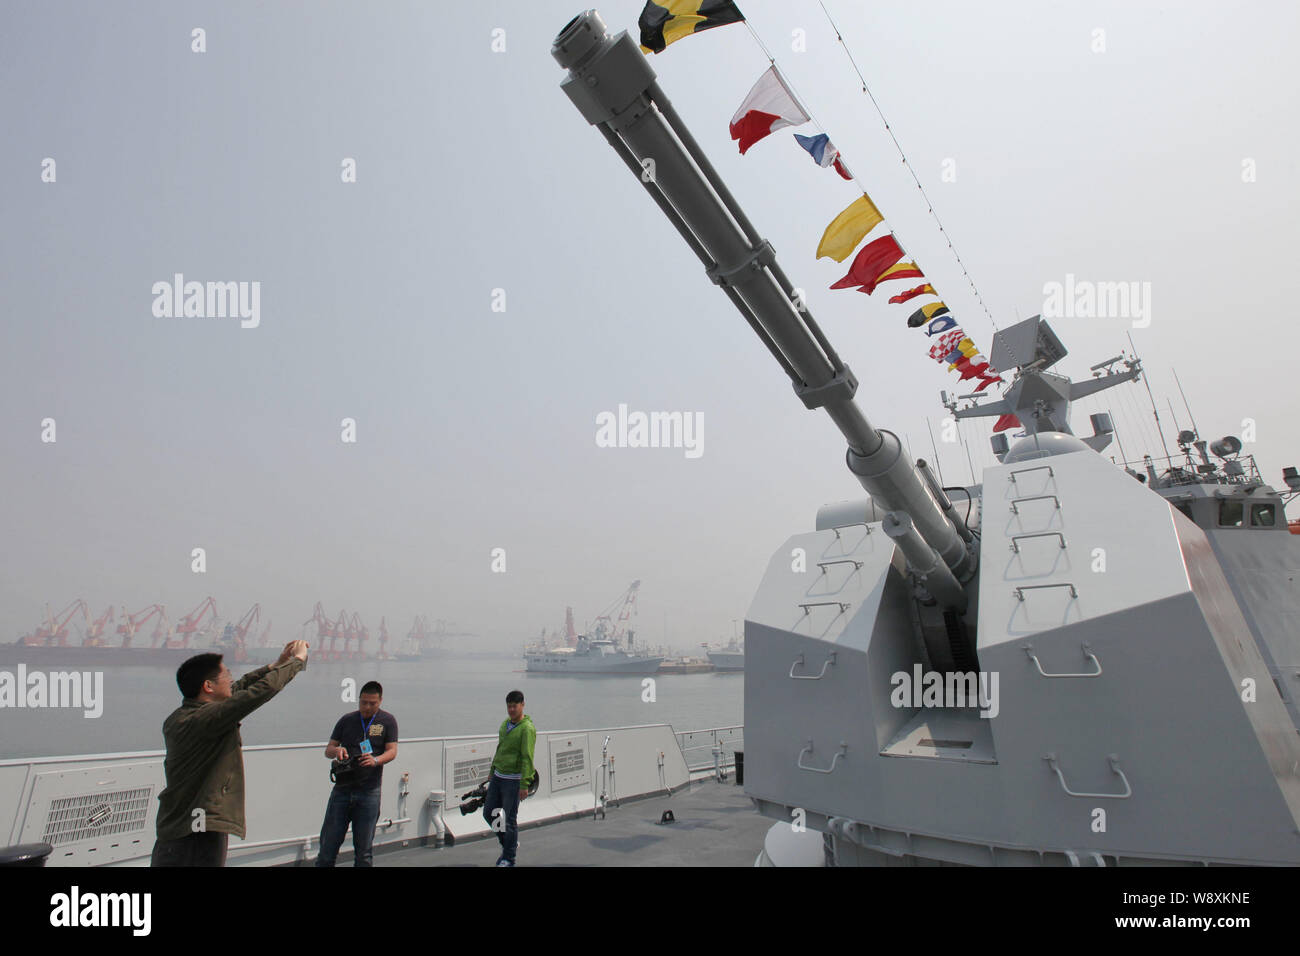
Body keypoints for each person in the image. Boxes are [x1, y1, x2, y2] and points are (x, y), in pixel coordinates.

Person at [151, 640, 309, 867]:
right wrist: (297, 661)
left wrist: (277, 664)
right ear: (208, 686)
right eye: (227, 676)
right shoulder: (206, 719)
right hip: (198, 831)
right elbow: (258, 693)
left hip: (176, 829)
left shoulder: (180, 717)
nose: (232, 680)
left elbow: (240, 689)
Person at [315, 681, 398, 867]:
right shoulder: (347, 720)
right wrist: (337, 751)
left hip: (369, 792)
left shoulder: (388, 721)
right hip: (342, 791)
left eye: (372, 703)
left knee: (364, 853)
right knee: (327, 848)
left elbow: (392, 751)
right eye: (363, 702)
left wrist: (376, 760)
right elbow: (328, 749)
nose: (367, 707)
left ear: (380, 701)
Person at [483, 689, 535, 867]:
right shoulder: (505, 724)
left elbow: (527, 757)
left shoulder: (527, 729)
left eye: (515, 706)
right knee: (490, 813)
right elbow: (500, 749)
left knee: (509, 819)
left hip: (513, 781)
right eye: (509, 706)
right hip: (498, 777)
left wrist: (524, 784)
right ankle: (509, 844)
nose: (511, 710)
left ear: (522, 705)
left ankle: (508, 858)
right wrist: (492, 770)